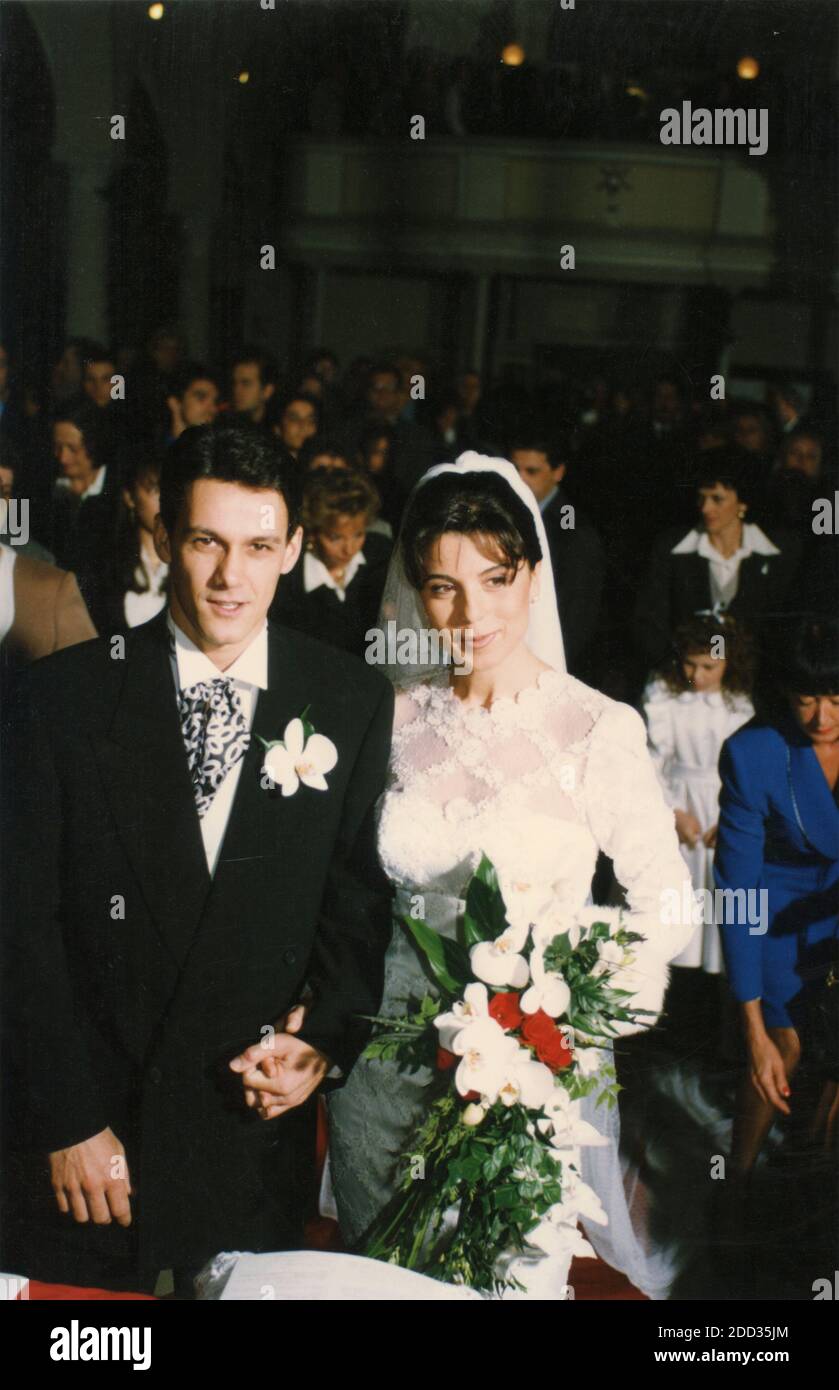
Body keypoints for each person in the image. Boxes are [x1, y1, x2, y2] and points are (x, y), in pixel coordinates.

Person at [1, 419, 394, 1294]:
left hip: (248, 1135)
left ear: (292, 546)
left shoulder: (349, 697)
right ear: (164, 536)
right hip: (93, 1140)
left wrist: (320, 1044)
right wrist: (65, 1121)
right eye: (206, 542)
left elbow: (357, 909)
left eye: (258, 546)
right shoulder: (63, 697)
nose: (230, 578)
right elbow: (16, 930)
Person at [318, 451, 695, 1299]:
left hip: (527, 1073)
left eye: (493, 579)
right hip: (382, 1074)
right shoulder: (391, 716)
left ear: (530, 575)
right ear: (416, 589)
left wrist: (565, 996)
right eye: (443, 587)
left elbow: (668, 905)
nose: (470, 612)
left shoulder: (597, 729)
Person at [715, 616, 839, 1177]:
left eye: (837, 700)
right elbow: (737, 890)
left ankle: (808, 1168)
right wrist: (753, 1025)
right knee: (782, 1047)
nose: (821, 718)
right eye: (807, 699)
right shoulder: (753, 753)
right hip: (773, 904)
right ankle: (737, 1182)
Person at [643, 614, 756, 973]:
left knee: (723, 912)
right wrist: (673, 811)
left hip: (724, 808)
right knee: (674, 902)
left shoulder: (738, 706)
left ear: (728, 662)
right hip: (677, 801)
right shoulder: (665, 698)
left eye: (709, 666)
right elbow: (651, 760)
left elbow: (749, 769)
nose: (698, 675)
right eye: (690, 664)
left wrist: (728, 820)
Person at [634, 449, 800, 671]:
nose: (705, 508)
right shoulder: (671, 548)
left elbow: (783, 633)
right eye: (701, 497)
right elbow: (648, 622)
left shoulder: (780, 554)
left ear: (743, 503)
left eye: (717, 499)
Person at [510, 434, 605, 678]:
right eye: (516, 469)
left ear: (558, 472)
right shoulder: (505, 511)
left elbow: (576, 617)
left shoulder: (573, 529)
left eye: (532, 471)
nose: (520, 479)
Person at [270, 468, 391, 658]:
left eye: (358, 534)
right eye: (336, 538)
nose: (349, 548)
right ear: (313, 532)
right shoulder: (288, 578)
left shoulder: (382, 556)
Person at [88, 450, 169, 633]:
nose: (167, 501)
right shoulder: (105, 565)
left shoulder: (187, 564)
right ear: (130, 497)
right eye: (156, 490)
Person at [230, 347, 278, 428]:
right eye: (234, 383)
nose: (236, 390)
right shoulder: (224, 426)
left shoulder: (277, 431)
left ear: (267, 391)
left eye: (246, 384)